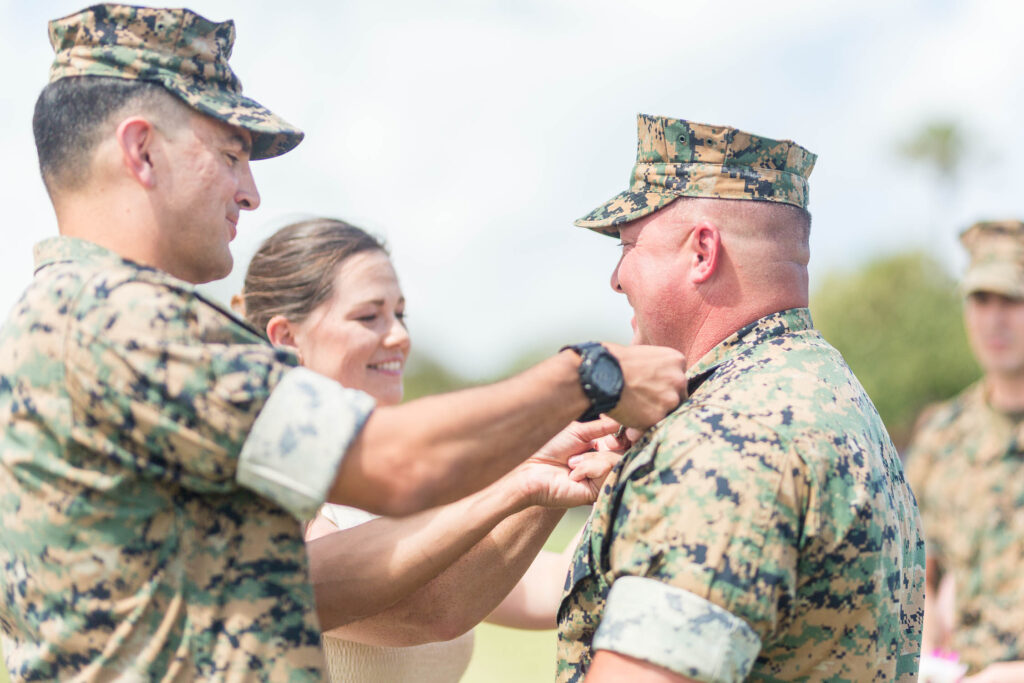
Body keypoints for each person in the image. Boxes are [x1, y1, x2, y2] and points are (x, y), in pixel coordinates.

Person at [0, 7, 687, 680]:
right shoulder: (119, 319)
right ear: (141, 150)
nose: (250, 193)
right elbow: (396, 466)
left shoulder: (62, 321)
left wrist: (537, 472)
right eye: (231, 154)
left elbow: (304, 582)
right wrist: (588, 376)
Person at [555, 114, 926, 682]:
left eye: (628, 244)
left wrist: (680, 476)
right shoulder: (827, 392)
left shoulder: (725, 441)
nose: (616, 277)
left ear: (702, 251)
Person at [234, 218, 617, 682]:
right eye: (368, 316)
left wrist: (603, 455)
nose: (398, 335)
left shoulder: (416, 490)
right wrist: (537, 475)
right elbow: (430, 608)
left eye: (401, 314)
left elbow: (549, 583)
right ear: (286, 337)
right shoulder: (265, 483)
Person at [905, 219, 1024, 682]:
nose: (994, 319)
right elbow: (922, 577)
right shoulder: (943, 436)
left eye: (1012, 300)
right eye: (980, 299)